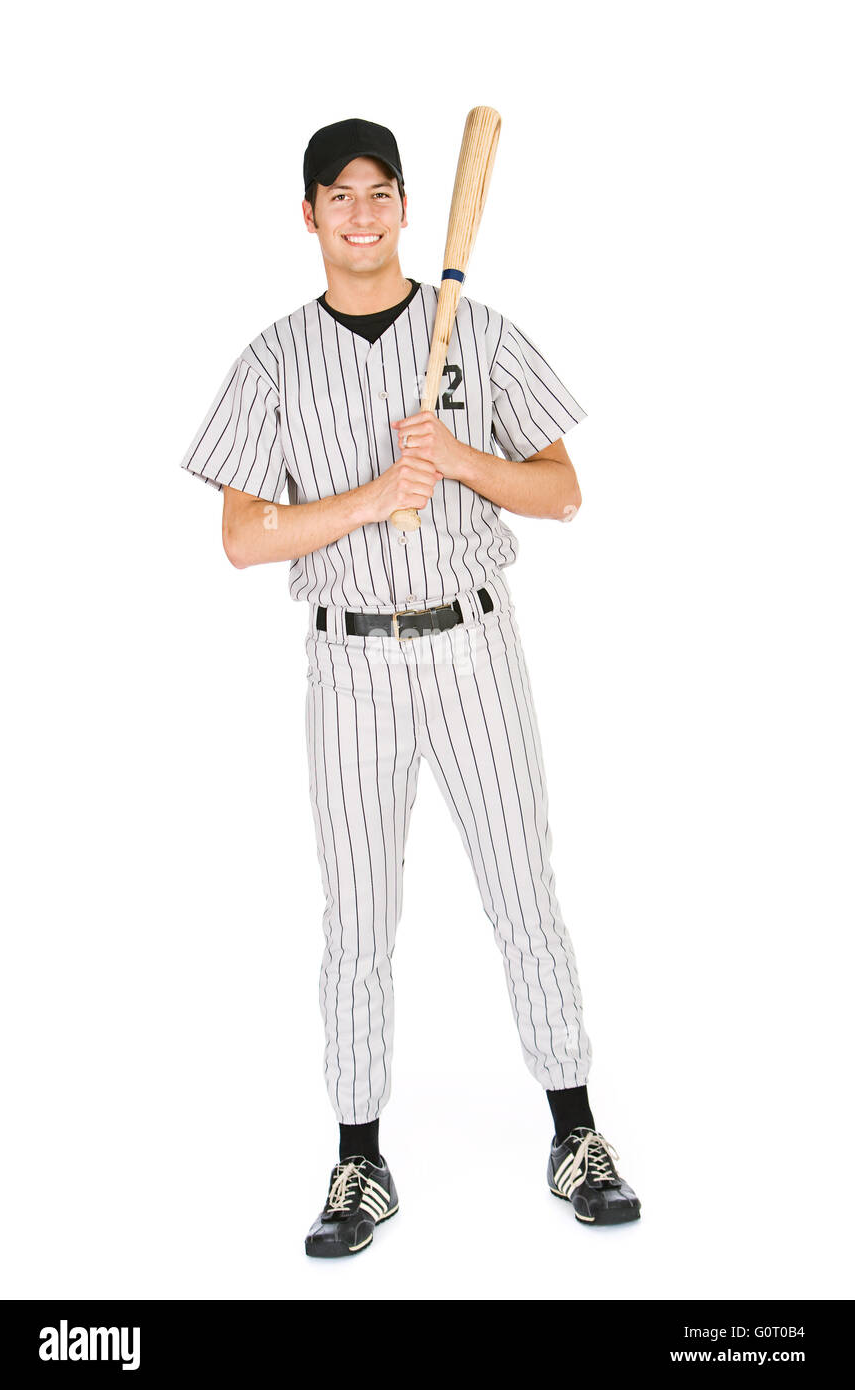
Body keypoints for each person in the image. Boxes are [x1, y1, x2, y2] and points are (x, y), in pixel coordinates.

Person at [179, 117, 641, 1258]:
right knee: (357, 918)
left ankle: (574, 1131)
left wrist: (459, 462)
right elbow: (242, 537)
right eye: (339, 196)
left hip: (473, 649)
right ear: (308, 215)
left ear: (403, 209)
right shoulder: (272, 358)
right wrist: (372, 494)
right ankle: (358, 1158)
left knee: (520, 889)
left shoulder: (473, 334)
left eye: (379, 193)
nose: (361, 214)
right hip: (347, 662)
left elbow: (561, 491)